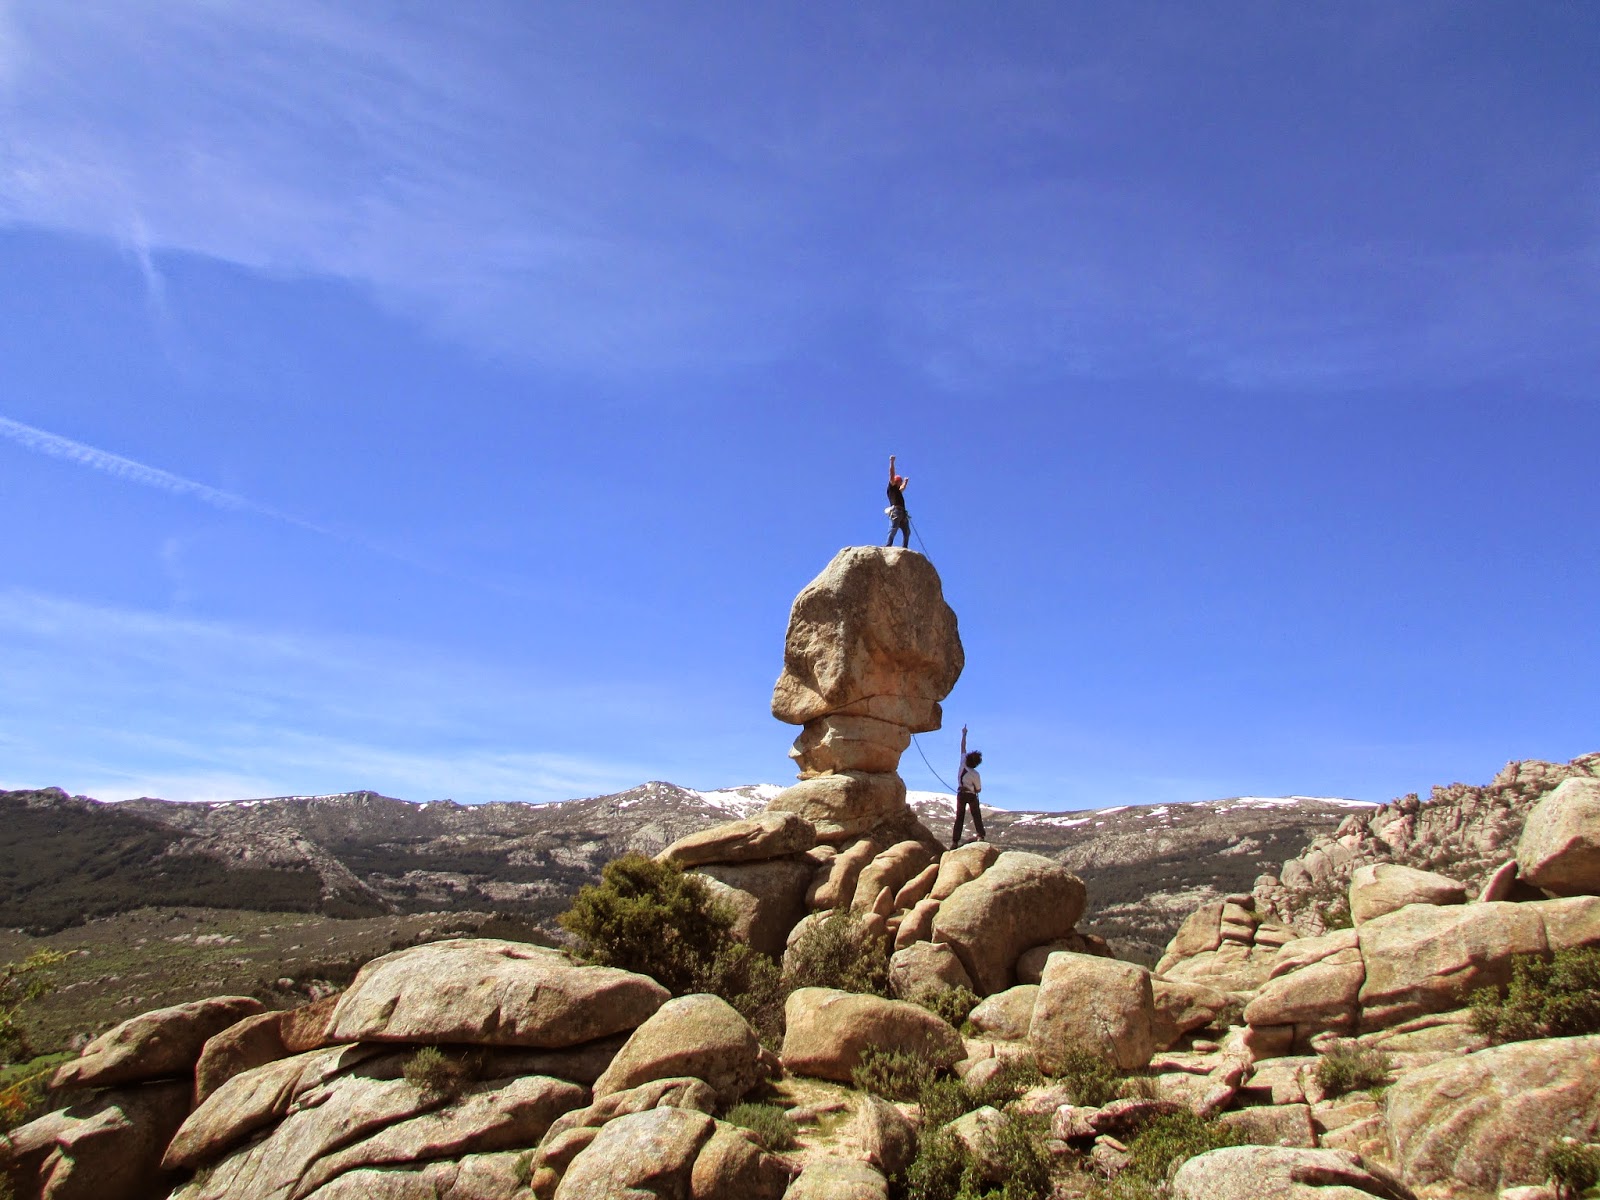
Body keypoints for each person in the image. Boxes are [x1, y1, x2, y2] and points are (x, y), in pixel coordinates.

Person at [952, 748, 985, 848]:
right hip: (971, 795)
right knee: (976, 815)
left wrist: (964, 734)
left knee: (959, 817)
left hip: (961, 794)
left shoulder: (963, 764)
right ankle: (980, 835)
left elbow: (962, 747)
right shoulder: (975, 774)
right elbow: (978, 789)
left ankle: (955, 841)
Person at [885, 454, 911, 548]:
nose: (900, 484)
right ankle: (888, 545)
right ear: (896, 481)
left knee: (907, 531)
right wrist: (892, 462)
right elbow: (891, 474)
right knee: (893, 528)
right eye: (899, 482)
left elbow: (903, 488)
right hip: (896, 511)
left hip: (902, 512)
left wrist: (905, 482)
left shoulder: (898, 491)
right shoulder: (892, 487)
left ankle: (905, 547)